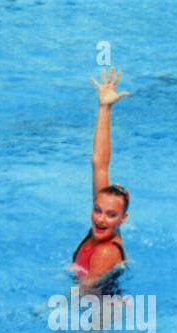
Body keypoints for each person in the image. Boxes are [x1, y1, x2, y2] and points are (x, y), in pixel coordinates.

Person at [71, 67, 131, 291]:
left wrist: (41, 311)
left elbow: (83, 292)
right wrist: (104, 108)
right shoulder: (98, 234)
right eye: (98, 210)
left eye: (111, 214)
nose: (101, 219)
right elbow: (99, 163)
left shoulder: (106, 251)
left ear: (123, 219)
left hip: (99, 319)